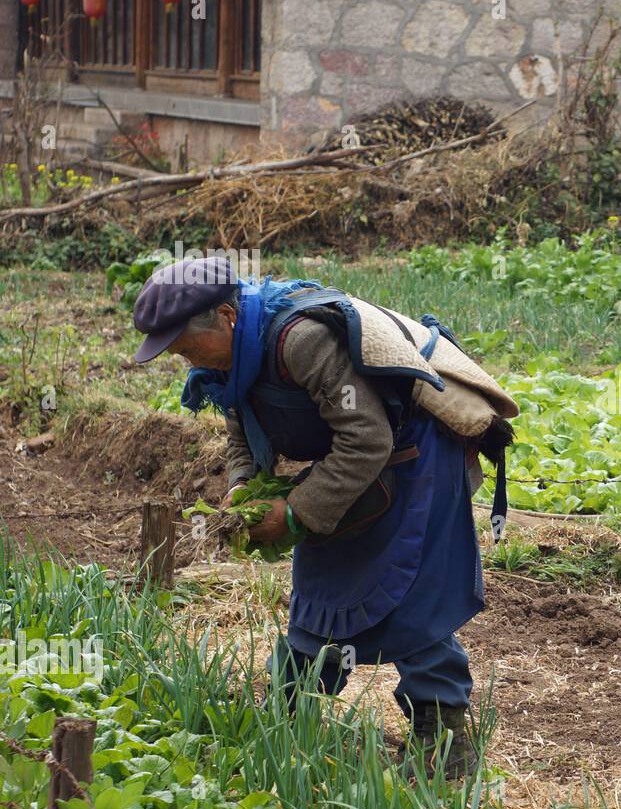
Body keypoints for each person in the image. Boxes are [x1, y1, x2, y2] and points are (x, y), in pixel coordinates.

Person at [131, 256, 514, 780]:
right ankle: (288, 715)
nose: (187, 362)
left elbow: (368, 437)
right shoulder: (229, 362)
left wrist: (293, 512)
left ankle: (445, 744)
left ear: (226, 317)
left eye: (189, 349)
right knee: (322, 583)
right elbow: (241, 426)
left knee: (411, 593)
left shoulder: (299, 341)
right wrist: (244, 487)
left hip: (419, 450)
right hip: (359, 456)